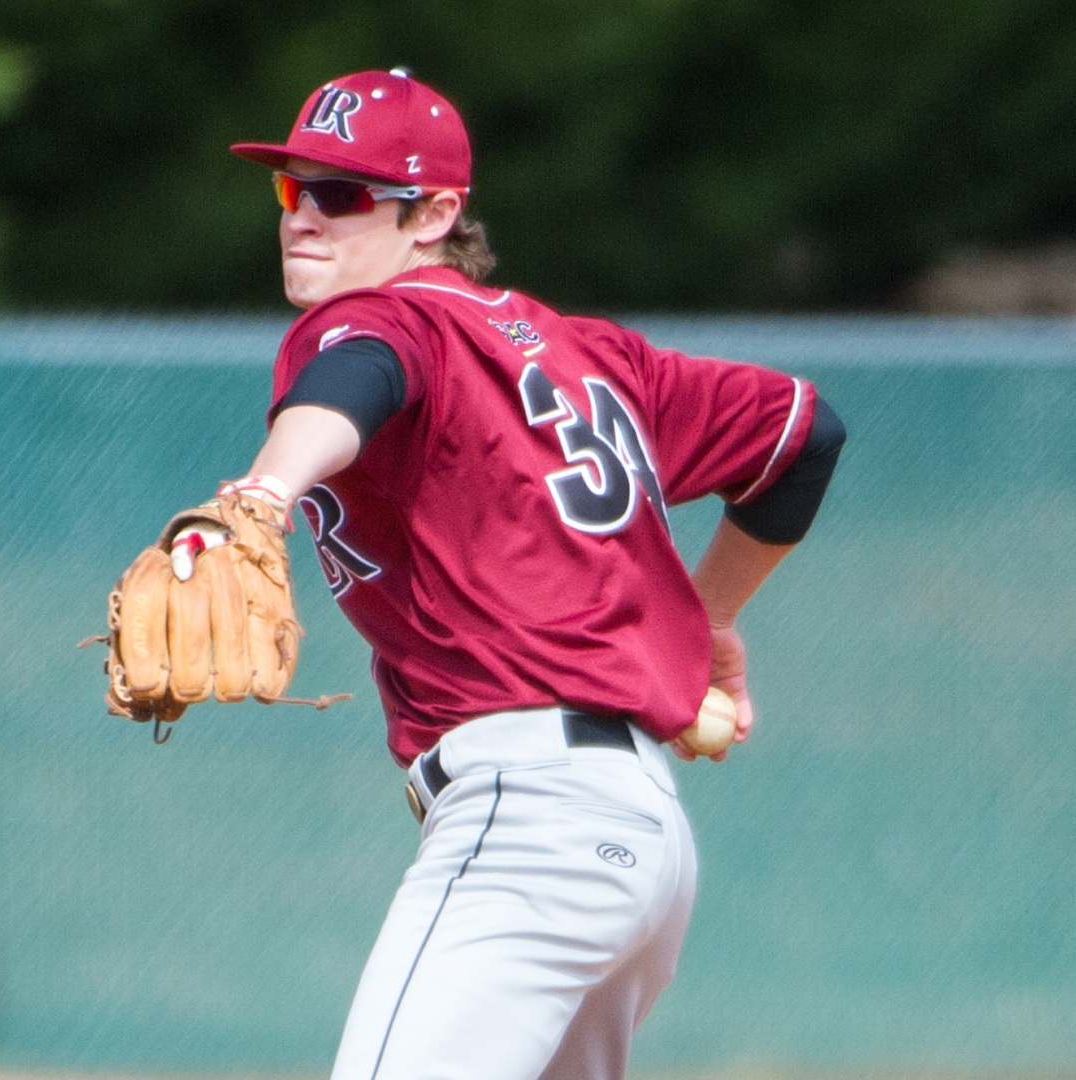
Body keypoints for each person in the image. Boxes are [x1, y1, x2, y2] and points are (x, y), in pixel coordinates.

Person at [203, 67, 845, 1080]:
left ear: (437, 214)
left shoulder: (380, 318)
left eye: (341, 193)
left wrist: (263, 494)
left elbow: (353, 380)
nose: (302, 218)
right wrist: (702, 622)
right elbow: (803, 436)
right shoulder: (592, 357)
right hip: (640, 839)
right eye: (292, 188)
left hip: (528, 823)